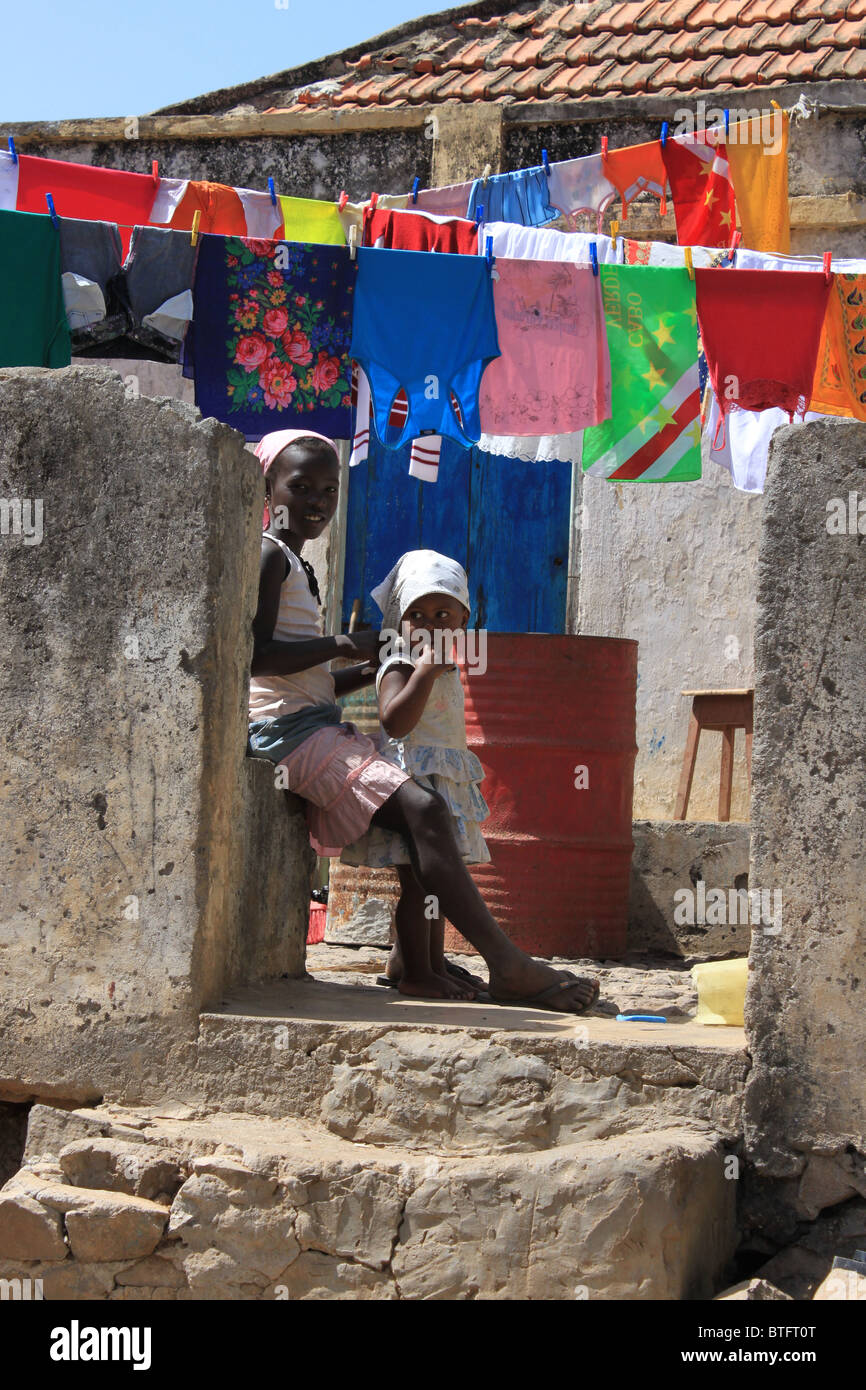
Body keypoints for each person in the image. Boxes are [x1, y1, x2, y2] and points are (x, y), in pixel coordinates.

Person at [248, 428, 599, 1013]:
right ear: (269, 487)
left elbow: (303, 681)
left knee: (422, 824)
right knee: (426, 809)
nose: (315, 501)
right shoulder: (268, 555)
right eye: (300, 486)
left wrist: (365, 664)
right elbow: (256, 659)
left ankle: (417, 963)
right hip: (286, 733)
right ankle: (505, 964)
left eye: (329, 490)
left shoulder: (299, 567)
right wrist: (345, 643)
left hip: (308, 719)